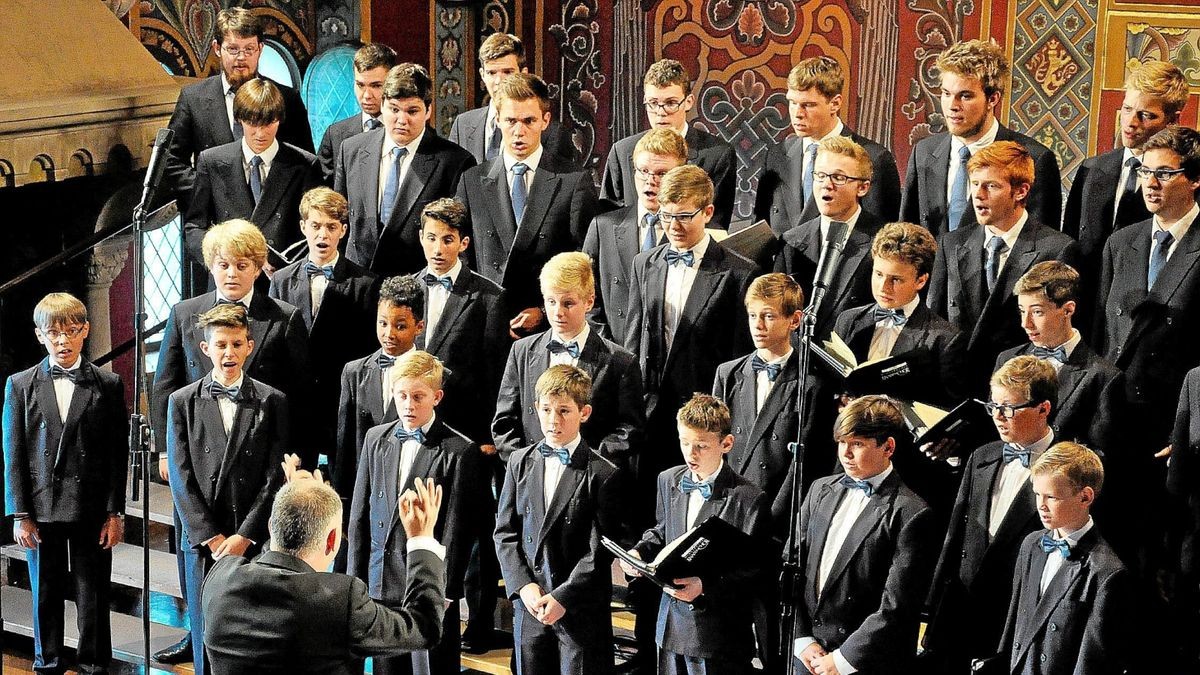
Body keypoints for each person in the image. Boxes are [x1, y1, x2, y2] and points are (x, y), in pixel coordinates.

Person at [201, 459, 448, 674]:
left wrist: (295, 501)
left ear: (270, 526)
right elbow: (423, 627)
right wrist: (420, 538)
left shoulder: (220, 579)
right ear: (332, 540)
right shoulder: (340, 601)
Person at [3, 293, 128, 675]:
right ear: (40, 335)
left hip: (91, 507)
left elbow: (115, 455)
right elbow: (14, 453)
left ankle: (93, 663)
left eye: (71, 332)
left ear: (85, 331)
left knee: (93, 593)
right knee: (46, 592)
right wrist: (20, 512)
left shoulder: (107, 384)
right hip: (41, 508)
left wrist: (115, 512)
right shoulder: (21, 384)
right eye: (54, 333)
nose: (63, 341)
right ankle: (49, 662)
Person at [1094, 125, 1200, 574]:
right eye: (1143, 172)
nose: (1150, 183)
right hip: (1114, 425)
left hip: (1170, 433)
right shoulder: (1122, 242)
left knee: (1158, 560)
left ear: (1194, 179)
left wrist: (1189, 431)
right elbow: (1102, 334)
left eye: (1164, 173)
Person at [624, 164, 759, 510]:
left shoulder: (738, 273)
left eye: (684, 216)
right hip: (652, 411)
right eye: (665, 217)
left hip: (704, 415)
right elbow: (634, 339)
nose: (673, 227)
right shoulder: (645, 263)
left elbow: (739, 359)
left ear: (708, 212)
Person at [166, 303, 290, 675]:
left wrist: (245, 536)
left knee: (252, 628)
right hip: (206, 540)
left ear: (249, 346)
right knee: (207, 627)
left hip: (249, 536)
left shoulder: (272, 400)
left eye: (236, 344)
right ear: (206, 349)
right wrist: (210, 536)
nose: (228, 353)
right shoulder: (182, 401)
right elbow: (180, 473)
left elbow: (274, 475)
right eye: (220, 345)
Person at [408, 197, 507, 652]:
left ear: (464, 243)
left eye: (447, 239)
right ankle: (416, 611)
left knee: (474, 531)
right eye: (430, 238)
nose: (438, 247)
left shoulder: (488, 296)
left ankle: (482, 620)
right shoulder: (407, 288)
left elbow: (495, 372)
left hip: (467, 434)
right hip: (416, 426)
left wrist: (488, 436)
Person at [348, 351, 486, 675]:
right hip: (381, 584)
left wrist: (447, 590)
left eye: (418, 397)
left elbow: (458, 530)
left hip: (426, 587)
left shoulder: (459, 451)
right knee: (386, 667)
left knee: (432, 667)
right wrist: (356, 580)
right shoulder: (375, 439)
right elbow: (359, 518)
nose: (409, 405)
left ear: (436, 397)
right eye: (402, 395)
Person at [923, 356, 1057, 672]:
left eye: (1008, 408)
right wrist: (931, 614)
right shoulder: (981, 456)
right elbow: (954, 541)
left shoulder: (1066, 467)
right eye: (992, 405)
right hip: (962, 616)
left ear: (1043, 409)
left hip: (1015, 619)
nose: (997, 416)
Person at [493, 365, 629, 675]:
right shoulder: (519, 461)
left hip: (577, 610)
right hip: (530, 605)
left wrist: (562, 597)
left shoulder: (602, 473)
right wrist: (523, 586)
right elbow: (505, 532)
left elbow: (599, 551)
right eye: (546, 409)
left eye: (564, 410)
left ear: (585, 412)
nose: (553, 420)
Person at [623, 393, 768, 675]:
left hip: (717, 634)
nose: (691, 454)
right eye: (685, 443)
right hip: (670, 627)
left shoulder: (748, 498)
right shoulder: (669, 480)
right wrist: (639, 552)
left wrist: (705, 586)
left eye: (701, 446)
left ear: (726, 444)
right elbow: (662, 531)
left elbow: (754, 570)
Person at [791, 396, 937, 675]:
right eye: (842, 442)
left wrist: (842, 659)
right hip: (807, 656)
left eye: (857, 444)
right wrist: (802, 639)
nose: (845, 453)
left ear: (888, 447)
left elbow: (896, 606)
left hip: (863, 663)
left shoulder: (912, 513)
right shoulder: (819, 490)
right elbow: (790, 568)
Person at [456, 72, 598, 338]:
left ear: (545, 121)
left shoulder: (573, 181)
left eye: (528, 121)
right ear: (497, 120)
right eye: (510, 121)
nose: (519, 131)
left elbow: (584, 260)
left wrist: (545, 312)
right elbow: (462, 253)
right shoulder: (472, 180)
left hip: (546, 329)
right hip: (485, 327)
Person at [927, 140, 1078, 390]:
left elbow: (1057, 336)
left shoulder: (1057, 249)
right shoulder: (952, 243)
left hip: (1016, 393)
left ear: (1020, 191)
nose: (978, 195)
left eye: (991, 186)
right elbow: (935, 322)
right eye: (975, 184)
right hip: (955, 388)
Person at [984, 442, 1135, 675]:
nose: (1041, 506)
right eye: (1037, 495)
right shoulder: (1031, 545)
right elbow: (1015, 625)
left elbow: (1090, 661)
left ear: (1085, 497)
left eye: (1051, 497)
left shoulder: (1106, 572)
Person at [493, 251, 645, 465]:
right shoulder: (522, 351)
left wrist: (586, 463)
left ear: (589, 301)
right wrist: (526, 464)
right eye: (551, 302)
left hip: (588, 480)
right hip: (531, 475)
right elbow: (504, 421)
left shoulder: (620, 362)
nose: (558, 312)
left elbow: (629, 431)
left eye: (568, 303)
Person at [900, 39, 1060, 238]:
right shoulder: (924, 152)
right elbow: (907, 234)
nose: (952, 105)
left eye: (965, 96)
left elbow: (1041, 245)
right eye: (946, 93)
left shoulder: (1034, 159)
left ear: (993, 99)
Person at [335, 63, 476, 277]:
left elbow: (459, 240)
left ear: (428, 110)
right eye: (394, 109)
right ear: (382, 105)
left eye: (412, 111)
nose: (402, 120)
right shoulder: (351, 149)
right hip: (357, 286)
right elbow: (339, 221)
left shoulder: (454, 162)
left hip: (416, 288)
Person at [268, 187, 379, 460]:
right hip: (296, 402)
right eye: (315, 225)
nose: (322, 235)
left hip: (340, 400)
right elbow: (274, 342)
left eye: (331, 227)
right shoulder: (281, 280)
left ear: (343, 231)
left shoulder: (365, 284)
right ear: (303, 227)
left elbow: (368, 350)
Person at [166, 7, 312, 205]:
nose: (241, 57)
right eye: (233, 49)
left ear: (260, 49)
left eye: (249, 49)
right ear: (217, 48)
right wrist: (208, 190)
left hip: (274, 212)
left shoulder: (287, 98)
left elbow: (304, 161)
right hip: (215, 220)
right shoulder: (194, 99)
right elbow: (171, 161)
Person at [184, 77, 321, 282]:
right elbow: (194, 227)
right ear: (239, 119)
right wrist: (223, 258)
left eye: (268, 124)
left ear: (279, 120)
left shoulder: (304, 165)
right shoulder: (212, 161)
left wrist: (282, 266)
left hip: (281, 282)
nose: (260, 133)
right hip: (229, 280)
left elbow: (314, 228)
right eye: (252, 124)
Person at [1063, 61, 1188, 279]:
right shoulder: (1092, 169)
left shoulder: (1186, 179)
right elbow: (1070, 242)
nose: (1130, 122)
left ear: (1173, 120)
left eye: (1146, 115)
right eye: (1127, 109)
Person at [755, 56, 900, 236]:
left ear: (835, 103)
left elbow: (882, 236)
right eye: (792, 102)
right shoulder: (777, 156)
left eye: (808, 105)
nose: (797, 113)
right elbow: (760, 231)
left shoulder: (873, 158)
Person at [993, 261, 1122, 455]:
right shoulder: (1007, 359)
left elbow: (1100, 454)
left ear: (1068, 310)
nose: (1025, 323)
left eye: (1037, 312)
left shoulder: (1103, 378)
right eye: (1022, 311)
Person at [602, 59, 737, 228]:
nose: (660, 112)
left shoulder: (718, 154)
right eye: (653, 103)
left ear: (688, 102)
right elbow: (608, 220)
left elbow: (715, 225)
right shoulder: (622, 151)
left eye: (671, 103)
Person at [712, 272, 805, 516]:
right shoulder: (728, 373)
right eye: (753, 315)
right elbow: (715, 442)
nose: (758, 325)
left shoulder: (809, 383)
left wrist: (773, 515)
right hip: (729, 503)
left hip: (773, 510)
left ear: (794, 320)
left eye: (769, 316)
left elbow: (800, 465)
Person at [584, 128, 688, 344]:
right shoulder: (603, 226)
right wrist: (609, 350)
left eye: (662, 174)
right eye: (643, 171)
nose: (650, 181)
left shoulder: (692, 233)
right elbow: (585, 296)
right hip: (614, 354)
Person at [773, 135, 880, 340]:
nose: (826, 185)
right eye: (820, 175)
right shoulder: (790, 242)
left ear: (863, 187)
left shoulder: (881, 242)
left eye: (838, 178)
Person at [333, 275, 425, 509]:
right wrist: (343, 500)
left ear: (419, 327)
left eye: (400, 326)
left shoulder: (437, 376)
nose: (389, 334)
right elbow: (345, 448)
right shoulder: (354, 372)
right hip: (367, 494)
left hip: (414, 496)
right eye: (383, 323)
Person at [447, 32, 578, 168]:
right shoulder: (463, 124)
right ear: (482, 75)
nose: (499, 81)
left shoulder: (553, 133)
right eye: (491, 73)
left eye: (508, 72)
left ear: (523, 73)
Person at [316, 43, 398, 183]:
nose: (366, 95)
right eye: (360, 85)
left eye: (376, 86)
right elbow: (323, 194)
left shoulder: (409, 130)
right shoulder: (335, 135)